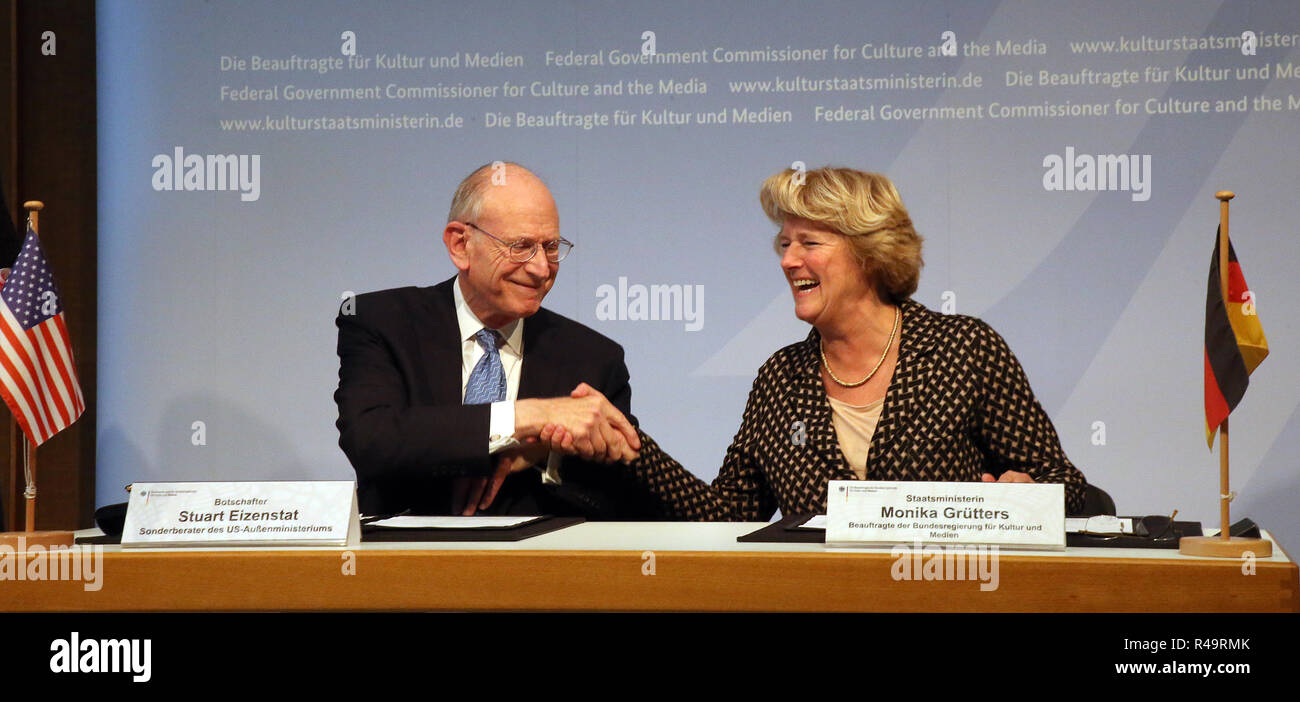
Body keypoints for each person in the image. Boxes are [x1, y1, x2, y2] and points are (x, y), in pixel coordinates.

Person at [545, 166, 1086, 519]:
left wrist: (1026, 494)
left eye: (809, 242)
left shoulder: (963, 349)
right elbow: (730, 512)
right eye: (784, 242)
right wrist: (631, 446)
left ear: (869, 252)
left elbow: (1068, 486)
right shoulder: (782, 376)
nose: (788, 259)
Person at [334, 162, 659, 519]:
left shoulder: (594, 358)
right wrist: (527, 416)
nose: (541, 268)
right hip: (400, 565)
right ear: (460, 244)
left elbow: (626, 498)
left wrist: (545, 457)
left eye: (550, 247)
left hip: (539, 568)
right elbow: (372, 441)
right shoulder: (383, 322)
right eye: (520, 246)